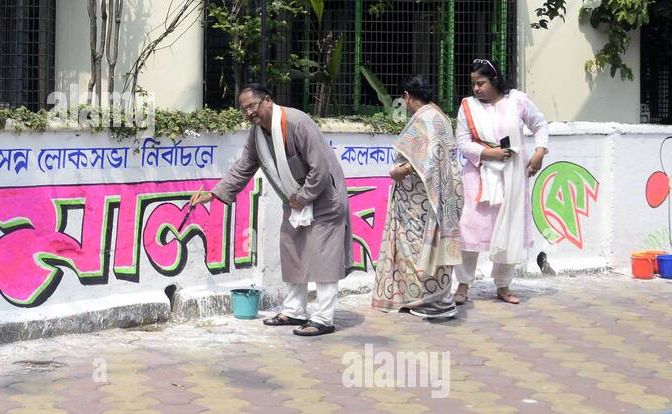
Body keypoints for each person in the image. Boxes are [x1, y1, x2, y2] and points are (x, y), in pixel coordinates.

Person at [189, 83, 352, 337]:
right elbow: (244, 167)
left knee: (323, 257)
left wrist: (304, 197)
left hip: (324, 199)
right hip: (295, 200)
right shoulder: (256, 134)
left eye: (251, 106)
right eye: (243, 110)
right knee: (293, 251)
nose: (248, 114)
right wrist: (214, 193)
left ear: (267, 101)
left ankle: (323, 318)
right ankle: (294, 310)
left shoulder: (298, 122)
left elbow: (320, 168)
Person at [454, 59, 550, 305]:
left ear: (494, 80)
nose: (476, 89)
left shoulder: (517, 101)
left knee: (509, 227)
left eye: (481, 83)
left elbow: (539, 125)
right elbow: (462, 143)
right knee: (469, 229)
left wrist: (539, 152)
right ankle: (463, 285)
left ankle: (503, 285)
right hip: (479, 176)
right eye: (473, 84)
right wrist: (490, 154)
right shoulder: (468, 107)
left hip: (513, 177)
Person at [371, 76, 463, 320]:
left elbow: (426, 159)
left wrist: (401, 171)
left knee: (415, 247)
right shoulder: (441, 116)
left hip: (420, 201)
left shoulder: (423, 119)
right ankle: (438, 298)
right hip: (443, 195)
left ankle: (425, 300)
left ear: (407, 96)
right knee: (432, 248)